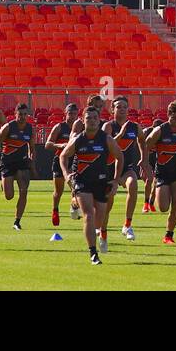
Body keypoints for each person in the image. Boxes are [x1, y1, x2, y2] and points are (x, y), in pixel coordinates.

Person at [59, 105, 123, 265]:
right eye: (88, 118)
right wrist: (67, 175)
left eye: (95, 118)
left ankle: (75, 203)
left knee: (99, 219)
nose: (92, 121)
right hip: (82, 182)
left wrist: (115, 181)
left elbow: (120, 158)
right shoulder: (78, 139)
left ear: (99, 120)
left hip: (101, 182)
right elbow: (63, 156)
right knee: (89, 214)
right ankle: (93, 253)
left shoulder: (106, 139)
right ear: (83, 120)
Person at [146, 102, 176, 244]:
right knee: (164, 207)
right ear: (168, 116)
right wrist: (146, 162)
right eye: (173, 117)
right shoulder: (160, 130)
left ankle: (169, 235)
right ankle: (158, 194)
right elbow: (146, 143)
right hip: (162, 173)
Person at [105, 96, 145, 241]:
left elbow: (142, 141)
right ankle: (101, 228)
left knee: (133, 183)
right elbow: (106, 146)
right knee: (108, 203)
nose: (121, 109)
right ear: (112, 110)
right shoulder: (108, 126)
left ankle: (127, 225)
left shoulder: (134, 126)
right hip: (108, 170)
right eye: (118, 107)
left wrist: (144, 160)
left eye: (124, 107)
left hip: (126, 168)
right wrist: (120, 135)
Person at [0, 103, 34, 231]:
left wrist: (31, 158)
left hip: (22, 162)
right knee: (9, 196)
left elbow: (32, 147)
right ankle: (4, 182)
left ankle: (17, 221)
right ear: (15, 114)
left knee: (24, 190)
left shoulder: (30, 128)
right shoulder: (8, 127)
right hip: (7, 162)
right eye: (20, 114)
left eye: (25, 114)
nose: (23, 117)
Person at [46, 102, 79, 227]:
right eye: (70, 113)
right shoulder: (59, 127)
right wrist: (60, 145)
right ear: (65, 114)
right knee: (58, 191)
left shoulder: (80, 128)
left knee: (76, 187)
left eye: (74, 114)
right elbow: (47, 144)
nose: (72, 116)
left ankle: (74, 206)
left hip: (74, 160)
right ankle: (55, 210)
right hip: (59, 160)